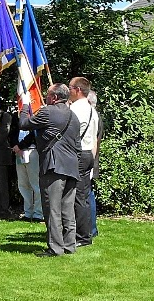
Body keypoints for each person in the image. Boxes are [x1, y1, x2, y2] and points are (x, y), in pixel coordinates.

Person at [23, 83, 83, 256]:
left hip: (53, 166)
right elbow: (77, 146)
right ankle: (69, 245)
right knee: (67, 209)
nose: (46, 97)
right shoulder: (73, 116)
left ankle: (55, 248)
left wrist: (25, 105)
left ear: (54, 97)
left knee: (52, 209)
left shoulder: (48, 112)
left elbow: (24, 124)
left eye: (48, 95)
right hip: (71, 167)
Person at [68, 77, 102, 247]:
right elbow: (95, 139)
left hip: (77, 154)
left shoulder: (74, 109)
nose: (68, 91)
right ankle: (85, 232)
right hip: (88, 154)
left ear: (78, 90)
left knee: (78, 198)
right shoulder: (91, 110)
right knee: (84, 197)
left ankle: (82, 236)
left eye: (70, 88)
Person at [13, 115, 41, 222]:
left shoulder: (36, 115)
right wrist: (16, 146)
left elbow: (34, 134)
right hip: (19, 153)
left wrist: (21, 145)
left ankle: (38, 213)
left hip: (32, 151)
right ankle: (28, 212)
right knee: (23, 184)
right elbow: (12, 132)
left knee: (36, 183)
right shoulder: (17, 116)